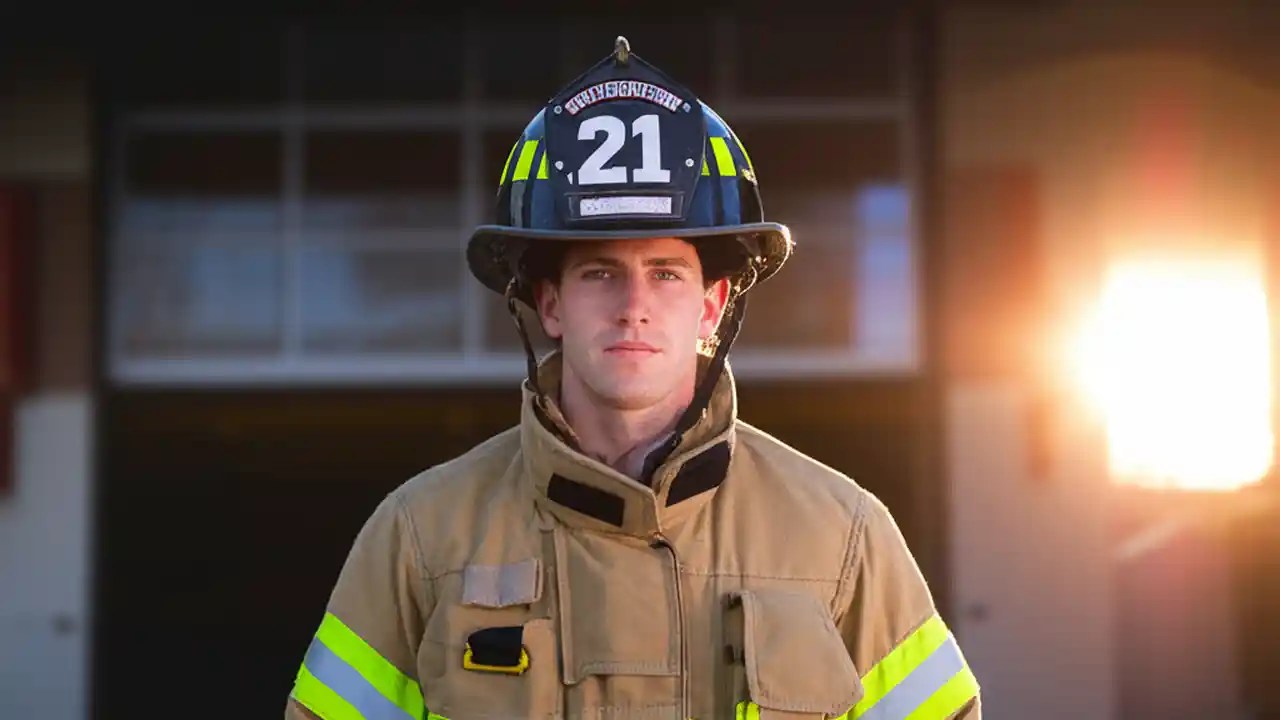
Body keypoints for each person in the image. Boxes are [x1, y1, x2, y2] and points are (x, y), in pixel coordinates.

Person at [284, 36, 981, 720]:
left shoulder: (843, 539)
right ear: (550, 304)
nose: (634, 307)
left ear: (712, 305)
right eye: (600, 273)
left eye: (666, 273)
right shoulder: (420, 538)